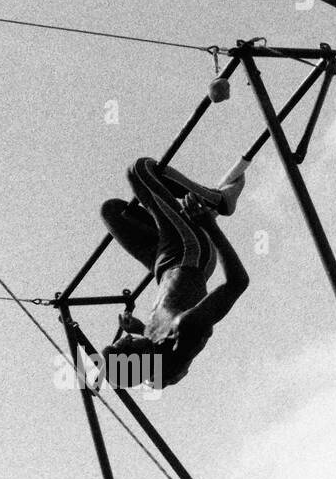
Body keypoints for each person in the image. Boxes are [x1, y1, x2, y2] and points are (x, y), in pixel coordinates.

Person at [98, 156, 250, 389]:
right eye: (125, 344)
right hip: (189, 252)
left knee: (112, 211)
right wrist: (210, 225)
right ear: (139, 359)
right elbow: (238, 282)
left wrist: (139, 328)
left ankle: (188, 216)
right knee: (139, 170)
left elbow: (157, 371)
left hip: (161, 261)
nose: (126, 337)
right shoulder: (186, 327)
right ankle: (219, 201)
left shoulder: (155, 354)